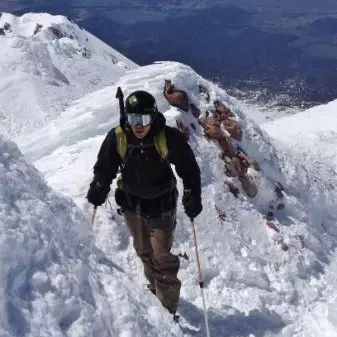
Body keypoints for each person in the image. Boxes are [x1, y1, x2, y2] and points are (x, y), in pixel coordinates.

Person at [86, 90, 202, 316]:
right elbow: (105, 166)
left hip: (162, 209)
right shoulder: (119, 137)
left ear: (153, 116)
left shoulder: (166, 137)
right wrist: (99, 185)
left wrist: (192, 194)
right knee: (143, 251)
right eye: (133, 119)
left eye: (144, 119)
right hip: (132, 207)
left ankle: (167, 311)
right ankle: (154, 289)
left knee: (161, 258)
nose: (138, 126)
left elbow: (189, 168)